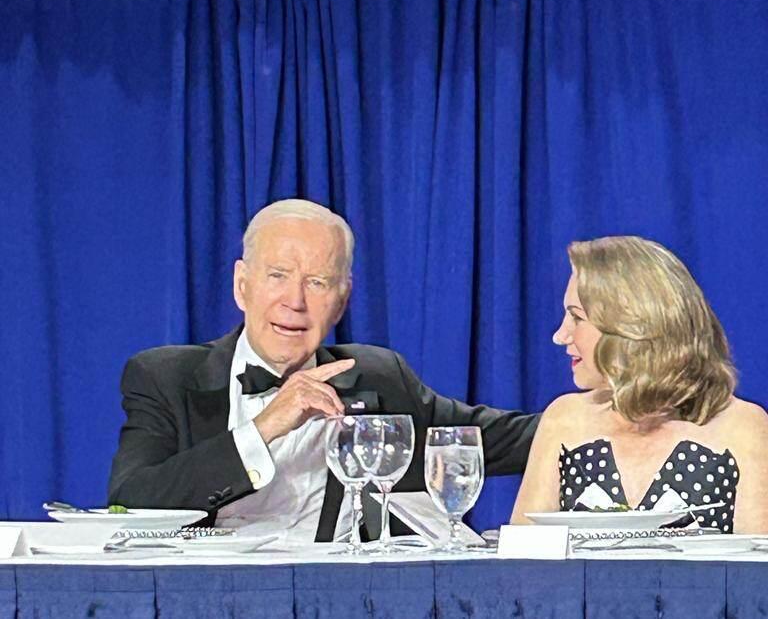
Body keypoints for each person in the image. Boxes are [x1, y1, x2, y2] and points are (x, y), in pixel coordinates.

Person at [109, 199, 539, 542]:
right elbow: (131, 503)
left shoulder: (378, 377)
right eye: (278, 275)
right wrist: (264, 427)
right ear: (242, 285)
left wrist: (594, 410)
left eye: (317, 282)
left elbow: (490, 440)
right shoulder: (165, 378)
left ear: (342, 299)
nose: (294, 301)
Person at [511, 236, 768, 533]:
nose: (560, 335)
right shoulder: (564, 419)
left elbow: (758, 572)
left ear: (630, 326)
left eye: (576, 318)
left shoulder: (742, 427)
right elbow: (523, 566)